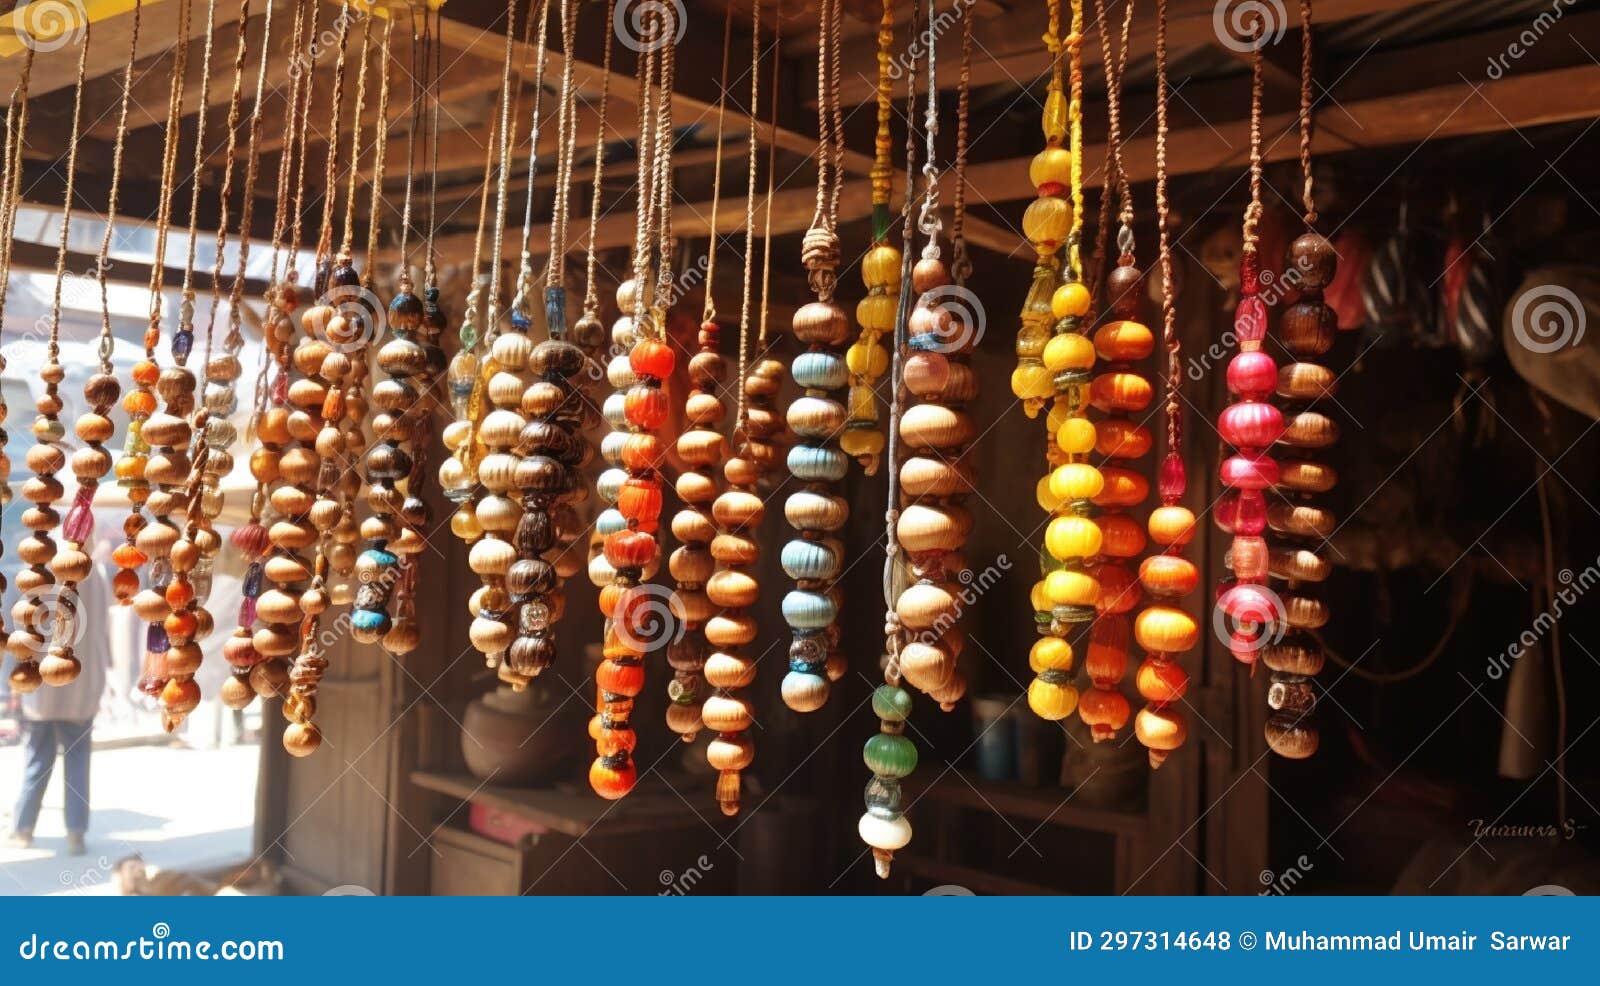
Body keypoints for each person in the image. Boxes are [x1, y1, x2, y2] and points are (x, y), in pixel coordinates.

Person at [7, 622, 107, 857]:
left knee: (38, 760)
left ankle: (23, 829)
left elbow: (14, 628)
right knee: (78, 762)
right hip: (81, 688)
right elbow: (103, 629)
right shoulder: (96, 593)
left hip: (39, 690)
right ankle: (76, 832)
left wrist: (9, 682)